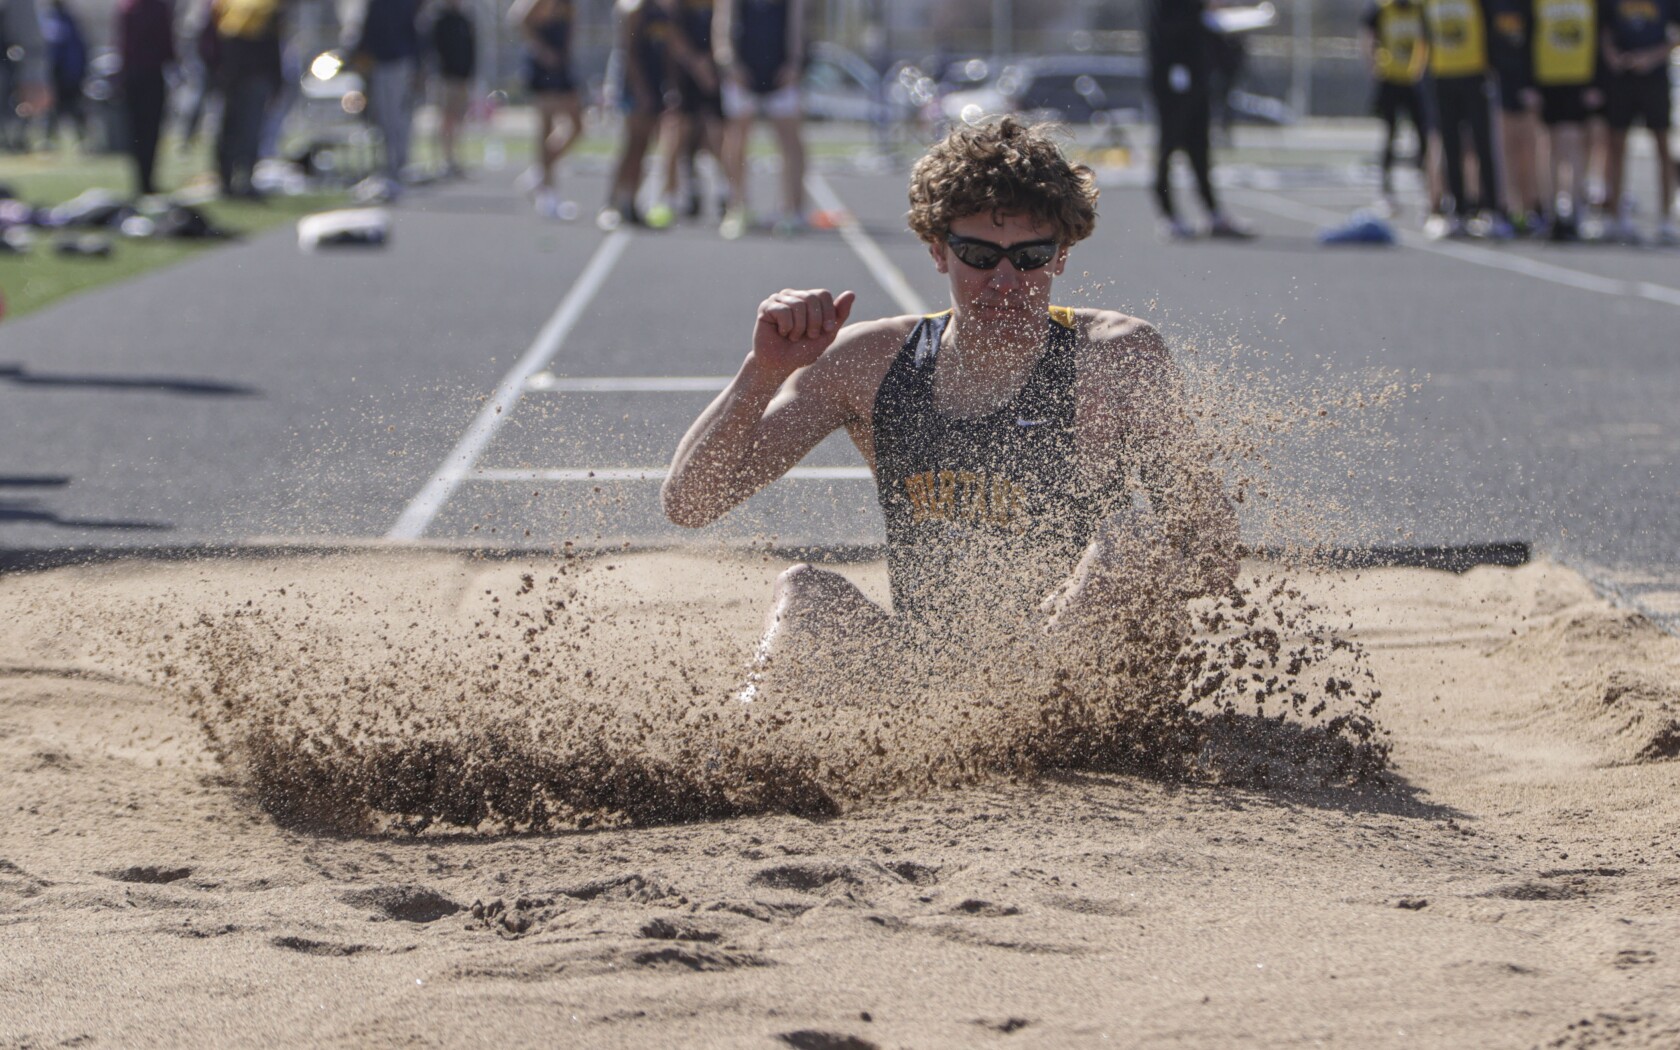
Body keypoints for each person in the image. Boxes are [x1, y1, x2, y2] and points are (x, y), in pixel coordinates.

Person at [662, 118, 1237, 706]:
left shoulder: (1115, 357)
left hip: (1080, 686)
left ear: (1061, 256)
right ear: (939, 251)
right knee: (805, 592)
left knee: (1131, 541)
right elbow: (690, 503)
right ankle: (747, 760)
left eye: (1031, 256)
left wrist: (1112, 583)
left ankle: (1035, 724)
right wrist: (762, 372)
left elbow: (1214, 554)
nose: (1006, 280)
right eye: (980, 255)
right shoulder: (870, 362)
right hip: (937, 683)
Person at [1146, 0, 1254, 239]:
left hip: (1198, 75)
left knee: (1200, 146)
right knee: (1169, 144)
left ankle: (1212, 213)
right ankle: (1168, 213)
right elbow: (1168, 26)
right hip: (1173, 76)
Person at [713, 0, 807, 238]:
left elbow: (797, 27)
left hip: (780, 72)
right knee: (736, 139)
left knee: (791, 142)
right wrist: (730, 64)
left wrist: (794, 65)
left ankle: (792, 210)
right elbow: (722, 26)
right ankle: (738, 206)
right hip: (743, 72)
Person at [1421, 0, 1510, 237]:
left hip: (1474, 73)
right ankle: (1457, 210)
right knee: (1450, 144)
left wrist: (1492, 67)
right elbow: (1424, 32)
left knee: (1482, 142)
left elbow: (1492, 28)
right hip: (1442, 75)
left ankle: (1491, 209)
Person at [1598, 0, 1678, 244]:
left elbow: (1675, 34)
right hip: (1621, 79)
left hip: (1654, 78)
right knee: (1616, 145)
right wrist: (1613, 56)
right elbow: (1604, 31)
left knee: (1662, 146)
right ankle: (1614, 218)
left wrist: (1652, 57)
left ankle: (1665, 219)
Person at [1528, 0, 1604, 240]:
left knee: (1572, 142)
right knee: (1548, 144)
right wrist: (1529, 82)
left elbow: (1599, 35)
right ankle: (1549, 213)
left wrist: (1596, 81)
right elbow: (1528, 35)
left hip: (1578, 76)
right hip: (1546, 77)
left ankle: (1574, 211)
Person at [650, 0, 723, 226]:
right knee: (678, 133)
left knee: (717, 135)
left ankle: (727, 192)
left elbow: (723, 26)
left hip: (715, 71)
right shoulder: (677, 7)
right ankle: (670, 196)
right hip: (683, 74)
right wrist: (696, 65)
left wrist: (714, 61)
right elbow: (672, 34)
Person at [511, 0, 581, 218]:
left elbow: (570, 28)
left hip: (561, 65)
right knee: (546, 125)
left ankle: (540, 173)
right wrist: (541, 51)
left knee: (578, 126)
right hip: (543, 67)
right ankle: (547, 192)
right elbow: (518, 19)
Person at [1363, 0, 1435, 211]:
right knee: (1390, 134)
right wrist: (1373, 66)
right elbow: (1368, 37)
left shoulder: (1419, 9)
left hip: (1415, 81)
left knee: (1422, 134)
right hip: (1391, 79)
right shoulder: (1382, 9)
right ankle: (1385, 188)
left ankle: (1427, 187)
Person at [349, 0, 421, 198]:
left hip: (393, 61)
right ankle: (393, 163)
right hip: (386, 61)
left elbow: (409, 30)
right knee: (388, 116)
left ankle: (395, 165)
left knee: (393, 117)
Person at [213, 0, 283, 199]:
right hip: (252, 79)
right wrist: (277, 80)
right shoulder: (266, 8)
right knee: (247, 132)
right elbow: (273, 47)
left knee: (231, 131)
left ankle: (227, 180)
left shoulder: (228, 7)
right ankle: (242, 181)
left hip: (232, 78)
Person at [1487, 0, 1546, 231]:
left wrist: (1532, 83)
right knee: (1505, 149)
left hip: (1527, 81)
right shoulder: (1488, 6)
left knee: (1528, 150)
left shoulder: (1528, 6)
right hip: (1499, 81)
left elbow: (1535, 42)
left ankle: (1532, 207)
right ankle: (1507, 208)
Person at [115, 0, 175, 198]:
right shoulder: (156, 7)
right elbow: (166, 42)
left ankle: (141, 180)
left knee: (137, 132)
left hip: (131, 75)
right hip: (150, 75)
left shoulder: (127, 7)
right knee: (149, 131)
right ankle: (146, 180)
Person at [428, 0, 473, 177]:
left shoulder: (464, 19)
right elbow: (434, 49)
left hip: (462, 77)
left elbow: (470, 49)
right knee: (446, 118)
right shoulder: (439, 19)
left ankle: (456, 157)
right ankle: (446, 158)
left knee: (459, 118)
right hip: (445, 77)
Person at [43, 0, 88, 148]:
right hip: (57, 73)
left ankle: (82, 139)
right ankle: (49, 139)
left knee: (73, 108)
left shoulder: (67, 20)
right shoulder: (51, 19)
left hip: (68, 74)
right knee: (52, 109)